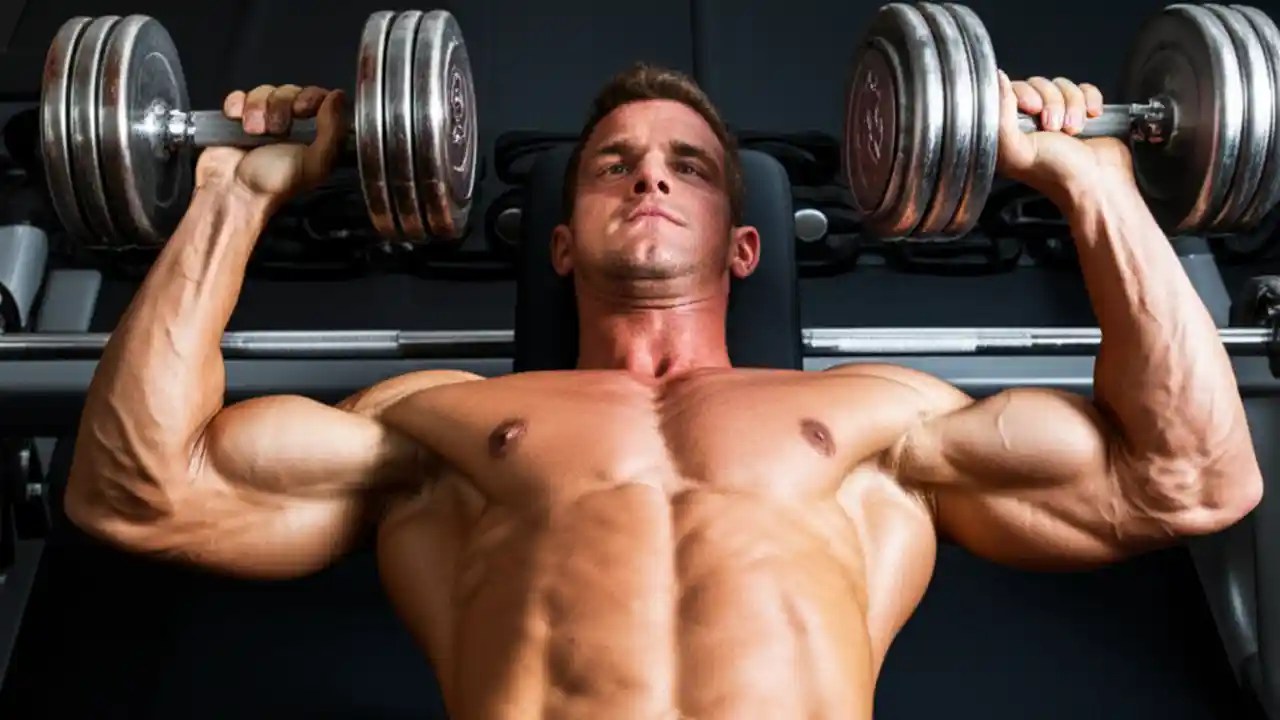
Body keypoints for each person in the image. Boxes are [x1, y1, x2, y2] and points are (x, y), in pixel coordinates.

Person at [64, 63, 1263, 719]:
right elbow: (139, 491)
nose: (647, 178)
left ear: (743, 246)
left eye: (686, 167)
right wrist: (234, 194)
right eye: (612, 166)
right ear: (560, 243)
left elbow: (1189, 481)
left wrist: (1092, 183)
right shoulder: (434, 425)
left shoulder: (882, 421)